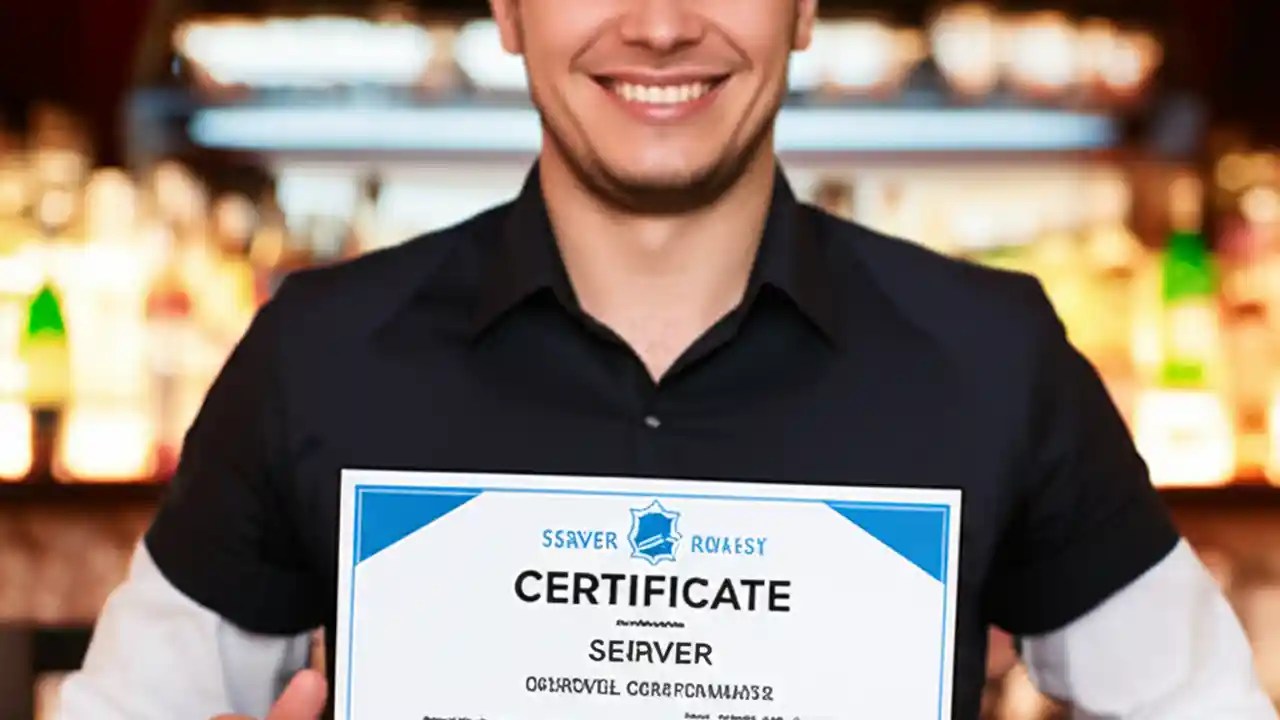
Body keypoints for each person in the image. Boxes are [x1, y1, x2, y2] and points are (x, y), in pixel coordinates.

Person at [59, 1, 1275, 719]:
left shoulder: (992, 357)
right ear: (506, 3)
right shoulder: (317, 355)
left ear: (803, 7)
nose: (655, 22)